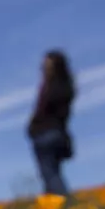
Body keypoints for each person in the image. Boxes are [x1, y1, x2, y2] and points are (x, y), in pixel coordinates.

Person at [28, 50, 75, 196]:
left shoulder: (51, 87)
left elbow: (42, 111)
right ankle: (59, 208)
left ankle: (62, 205)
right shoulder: (66, 86)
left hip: (45, 134)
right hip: (58, 134)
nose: (42, 67)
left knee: (49, 174)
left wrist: (33, 127)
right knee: (52, 173)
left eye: (46, 64)